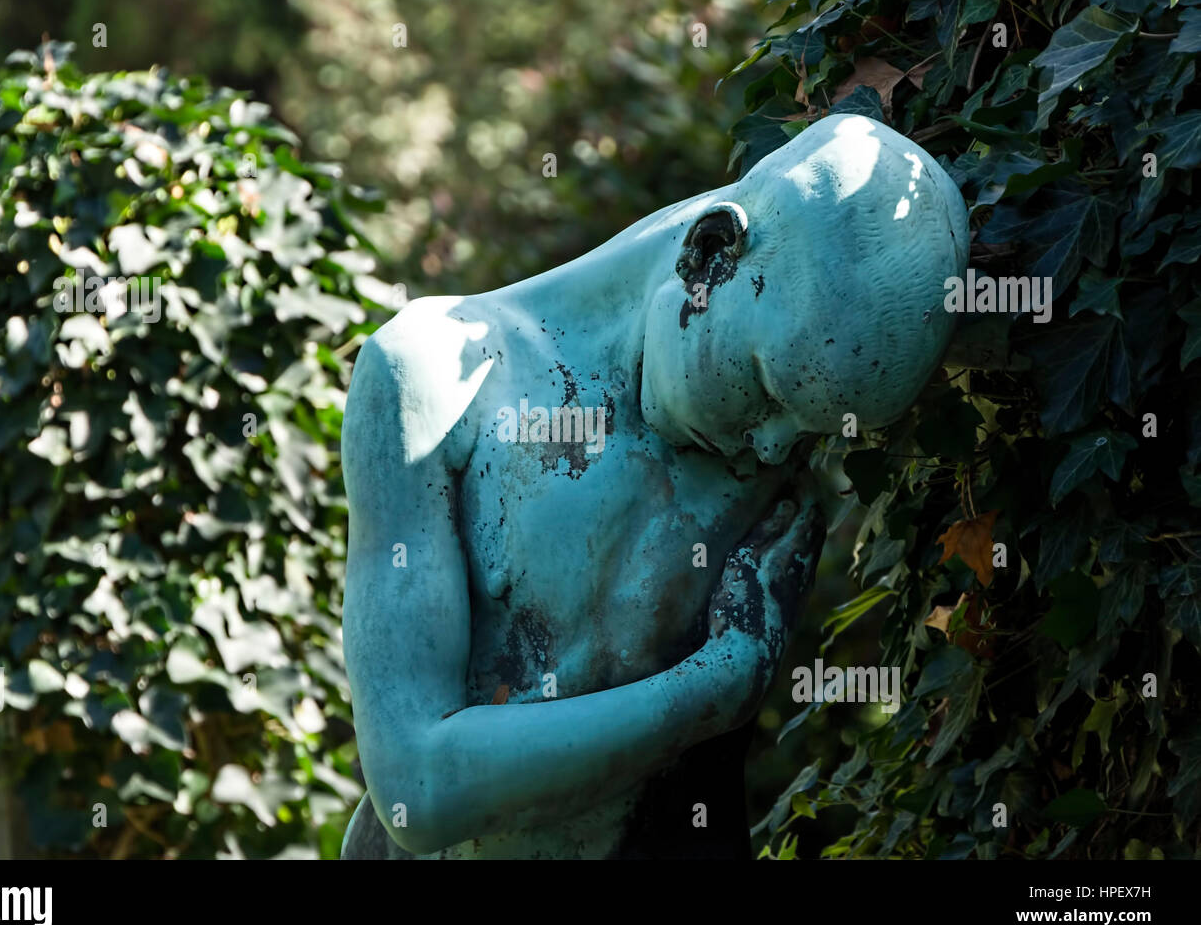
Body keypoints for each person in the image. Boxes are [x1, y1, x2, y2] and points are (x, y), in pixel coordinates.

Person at [339, 114, 968, 858]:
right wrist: (708, 691)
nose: (774, 445)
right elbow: (417, 790)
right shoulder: (432, 379)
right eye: (767, 391)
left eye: (813, 430)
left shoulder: (773, 458)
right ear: (709, 257)